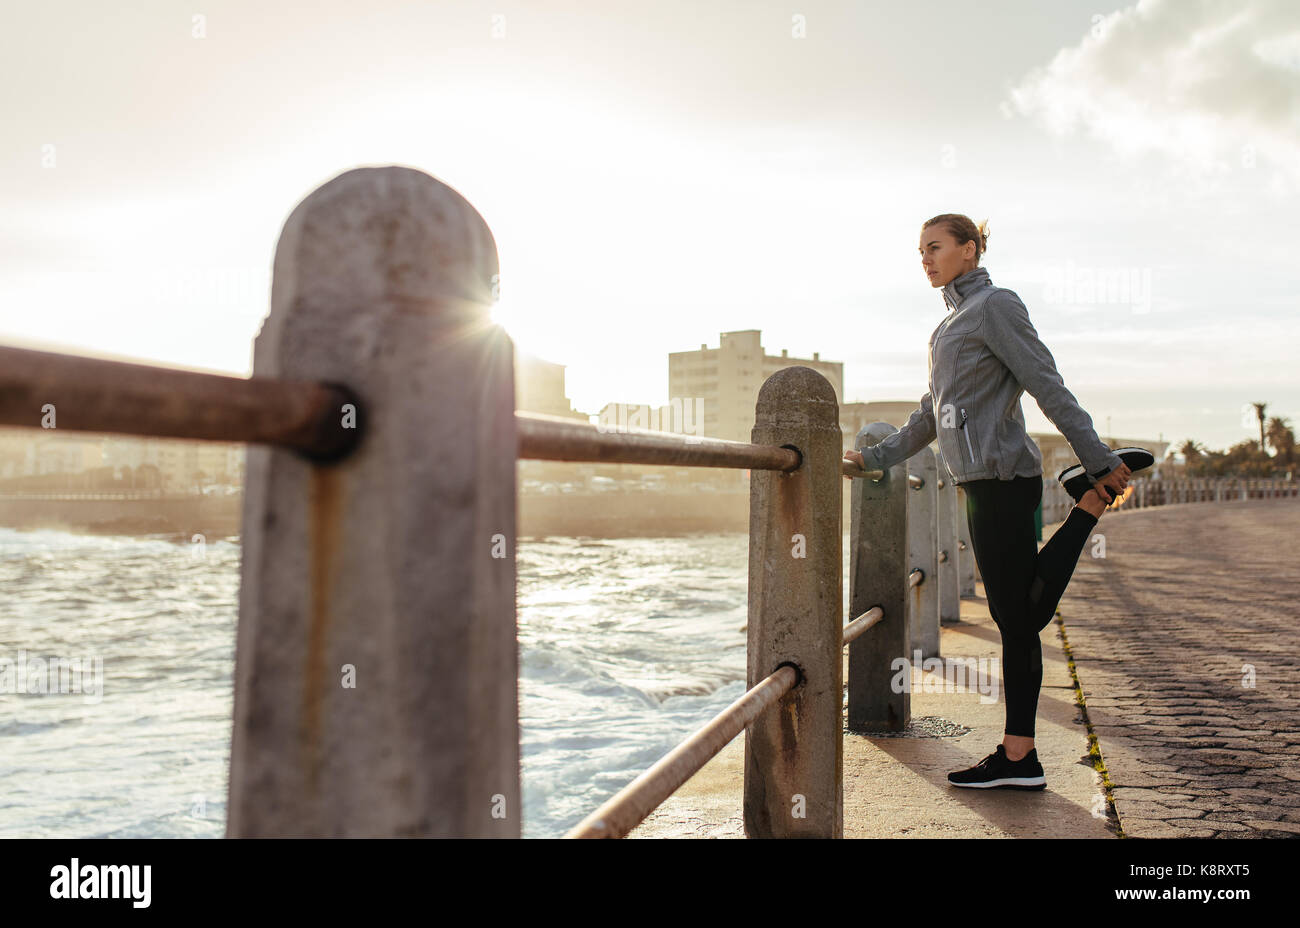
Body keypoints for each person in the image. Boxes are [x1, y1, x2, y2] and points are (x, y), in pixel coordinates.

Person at [842, 213, 1134, 790]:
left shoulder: (995, 307)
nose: (924, 258)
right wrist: (877, 459)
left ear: (970, 251)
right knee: (1018, 616)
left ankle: (1019, 758)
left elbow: (1045, 380)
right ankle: (1019, 756)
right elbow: (931, 412)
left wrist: (1097, 457)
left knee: (1017, 617)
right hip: (982, 481)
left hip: (1002, 477)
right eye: (919, 250)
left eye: (936, 247)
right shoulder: (949, 326)